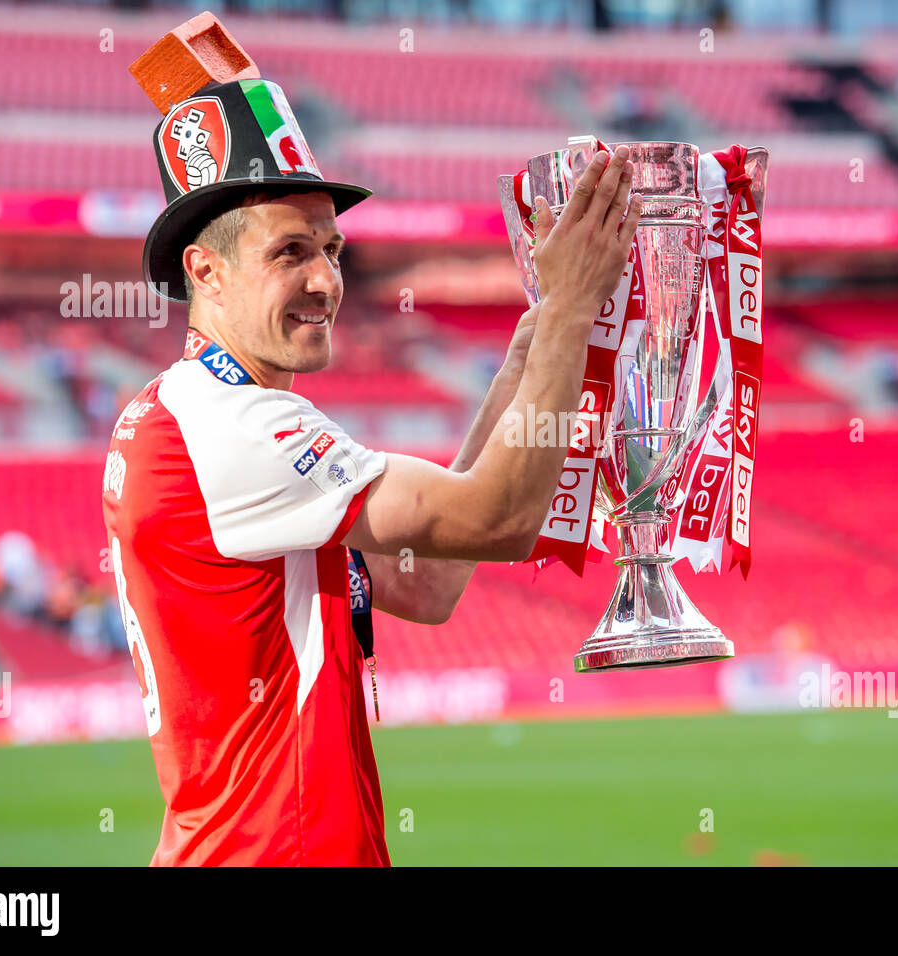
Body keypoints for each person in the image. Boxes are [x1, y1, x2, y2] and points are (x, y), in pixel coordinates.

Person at [105, 75, 641, 866]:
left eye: (330, 250)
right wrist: (570, 309)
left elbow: (428, 584)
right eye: (290, 252)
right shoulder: (233, 425)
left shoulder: (184, 412)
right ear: (206, 274)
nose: (326, 281)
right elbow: (498, 521)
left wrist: (527, 355)